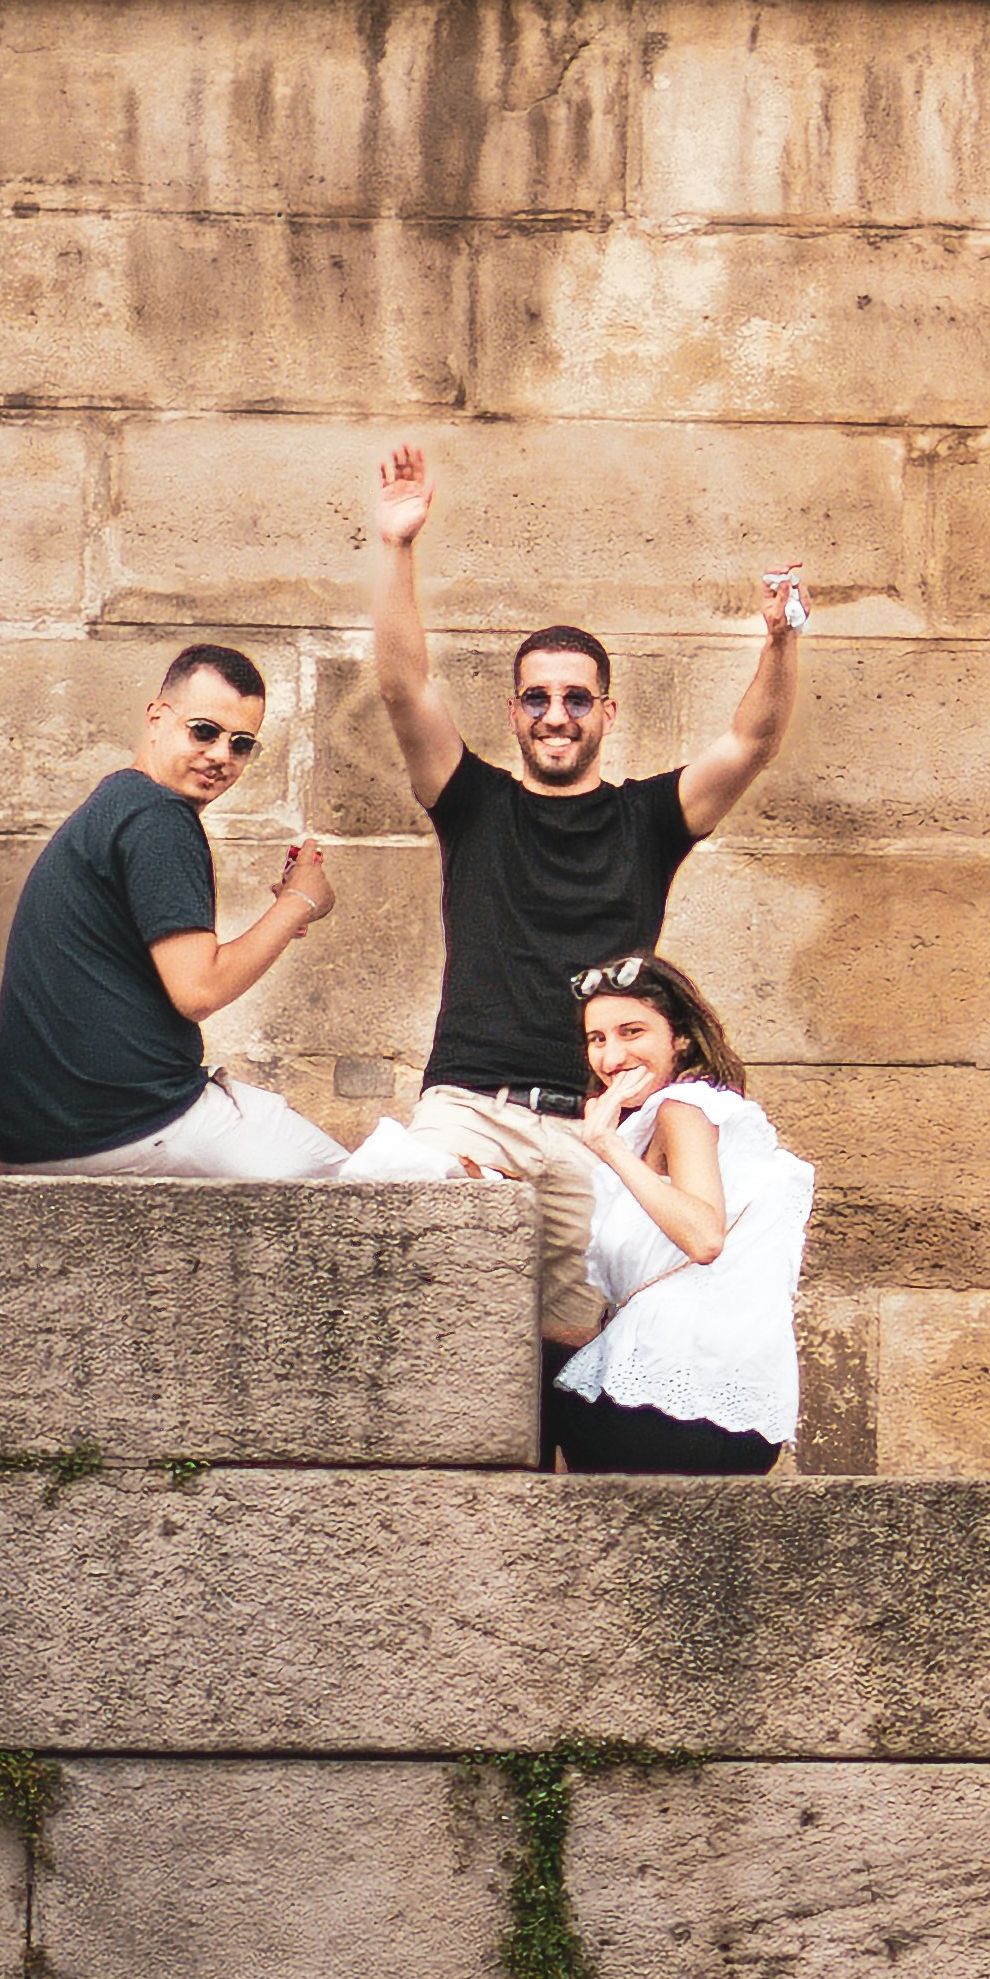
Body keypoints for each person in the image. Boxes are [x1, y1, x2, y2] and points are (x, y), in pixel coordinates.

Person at [363, 436, 801, 1355]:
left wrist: (778, 640)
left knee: (567, 1350)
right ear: (514, 710)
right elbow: (404, 689)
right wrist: (398, 547)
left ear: (607, 711)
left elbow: (748, 744)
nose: (554, 714)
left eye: (574, 698)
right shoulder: (472, 803)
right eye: (535, 698)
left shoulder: (650, 820)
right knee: (404, 1262)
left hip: (588, 1127)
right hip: (468, 1107)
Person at [0, 641, 349, 1177]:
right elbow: (199, 990)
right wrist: (300, 901)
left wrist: (287, 913)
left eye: (242, 744)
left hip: (50, 1135)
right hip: (130, 1125)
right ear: (157, 717)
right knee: (364, 1194)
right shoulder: (160, 818)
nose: (222, 755)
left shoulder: (118, 805)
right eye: (204, 731)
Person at [547, 951, 812, 1477]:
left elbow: (704, 1237)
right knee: (536, 1356)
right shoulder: (669, 1119)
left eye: (632, 1032)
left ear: (682, 1039)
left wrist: (607, 1146)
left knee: (509, 1376)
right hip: (717, 1421)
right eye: (598, 1039)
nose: (612, 1056)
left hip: (684, 1418)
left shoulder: (683, 1107)